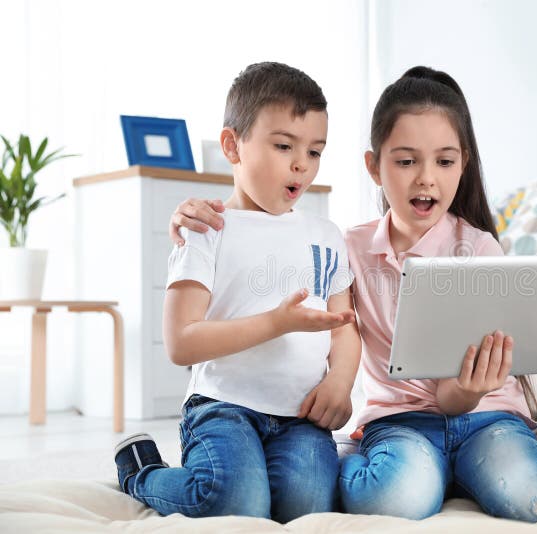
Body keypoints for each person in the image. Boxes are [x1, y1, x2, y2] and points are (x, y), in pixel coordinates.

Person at [169, 66, 537, 524]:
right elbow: (337, 322)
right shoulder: (348, 247)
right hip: (403, 423)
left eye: (444, 162)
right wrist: (188, 212)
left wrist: (467, 391)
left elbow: (450, 393)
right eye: (406, 161)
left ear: (463, 165)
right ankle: (376, 458)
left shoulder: (478, 249)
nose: (426, 179)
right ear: (374, 167)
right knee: (388, 502)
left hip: (486, 416)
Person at [113, 61, 361, 522]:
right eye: (284, 145)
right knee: (235, 503)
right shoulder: (206, 228)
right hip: (222, 406)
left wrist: (340, 382)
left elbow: (344, 327)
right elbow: (181, 342)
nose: (301, 164)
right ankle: (142, 472)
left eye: (315, 151)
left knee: (306, 508)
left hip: (300, 416)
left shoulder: (326, 235)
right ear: (232, 146)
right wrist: (275, 323)